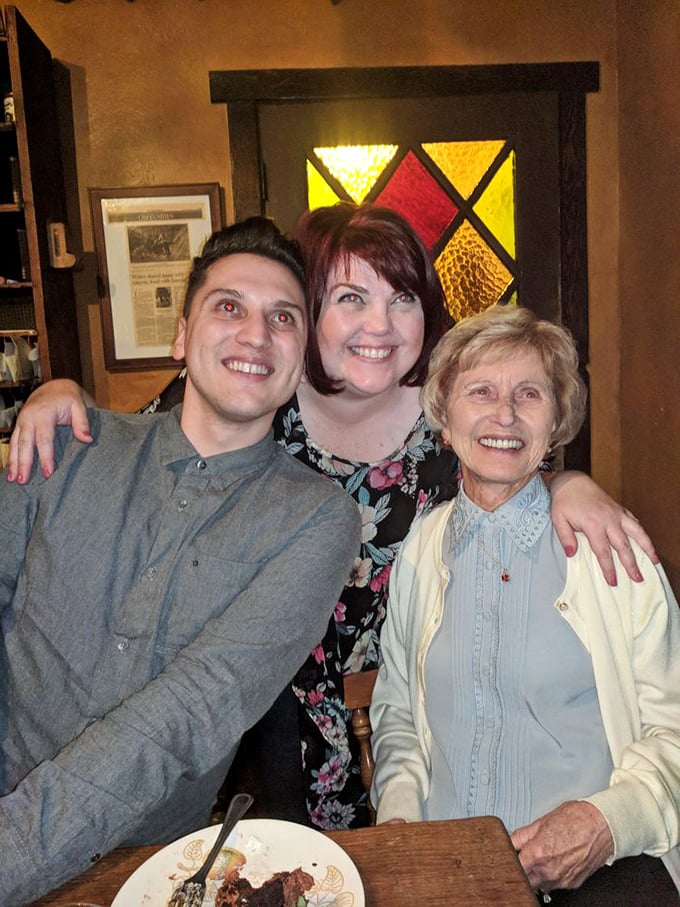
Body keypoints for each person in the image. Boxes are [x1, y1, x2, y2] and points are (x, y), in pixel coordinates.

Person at [7, 203, 657, 831]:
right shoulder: (262, 395)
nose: (381, 324)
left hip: (427, 715)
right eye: (351, 298)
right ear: (309, 310)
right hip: (279, 709)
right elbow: (145, 452)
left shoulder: (445, 415)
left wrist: (566, 480)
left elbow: (509, 476)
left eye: (402, 298)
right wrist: (61, 397)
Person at [0, 217, 361, 906]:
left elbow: (195, 707)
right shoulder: (65, 442)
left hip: (146, 871)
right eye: (229, 306)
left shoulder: (317, 518)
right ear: (180, 335)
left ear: (299, 356)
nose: (256, 333)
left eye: (282, 318)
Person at [369, 304, 680, 904]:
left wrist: (605, 823)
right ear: (444, 416)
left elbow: (674, 728)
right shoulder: (419, 553)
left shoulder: (611, 550)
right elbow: (399, 718)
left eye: (530, 394)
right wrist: (401, 826)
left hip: (601, 868)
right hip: (448, 865)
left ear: (558, 419)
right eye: (480, 390)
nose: (504, 415)